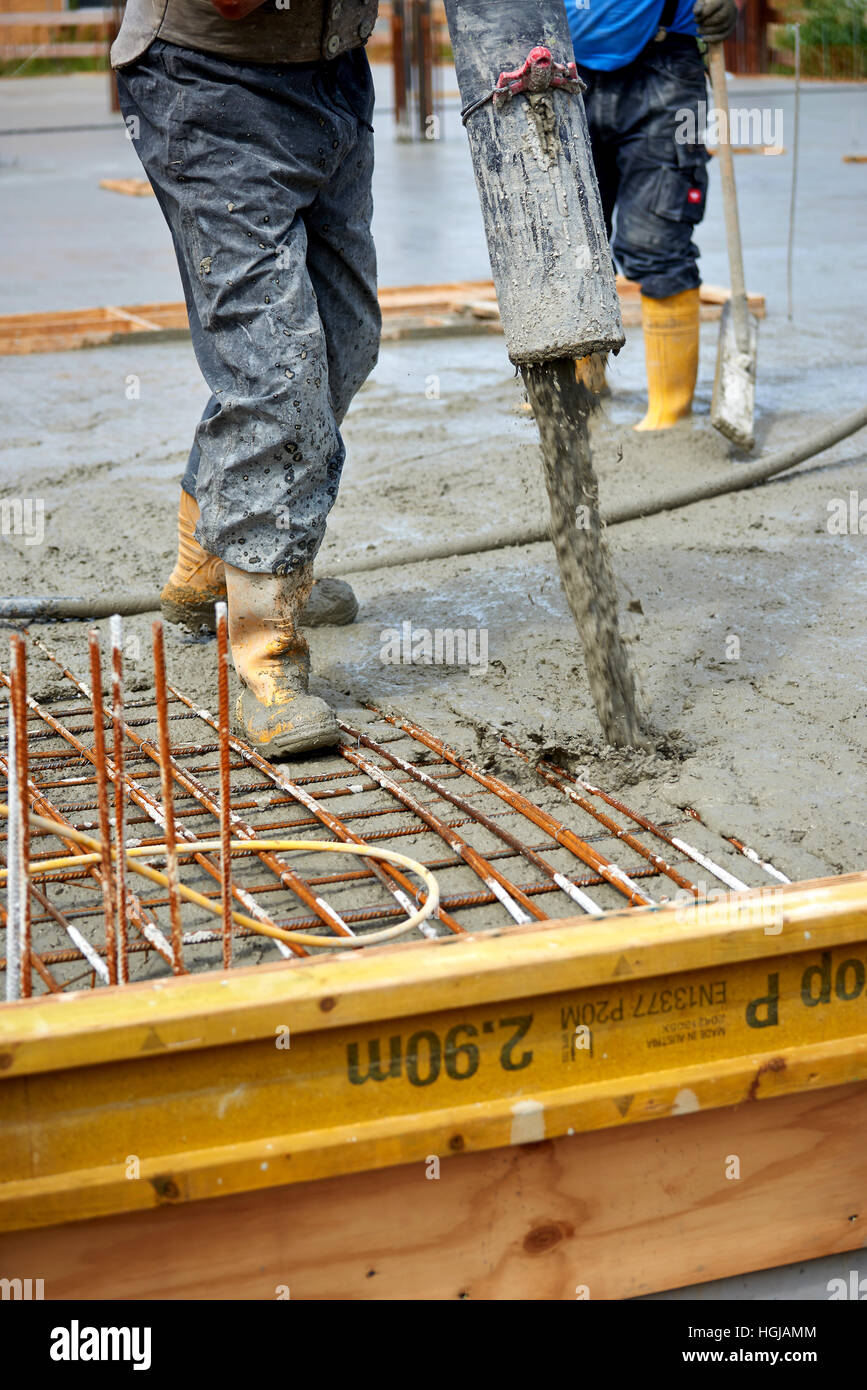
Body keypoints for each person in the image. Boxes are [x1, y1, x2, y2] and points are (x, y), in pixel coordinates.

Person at [111, 0, 381, 754]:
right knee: (274, 371)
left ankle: (207, 572)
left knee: (341, 345)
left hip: (332, 76)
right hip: (209, 85)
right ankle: (268, 654)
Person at [565, 0, 738, 428]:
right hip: (557, 67)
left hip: (664, 67)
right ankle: (576, 385)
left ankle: (669, 412)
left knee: (655, 241)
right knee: (570, 243)